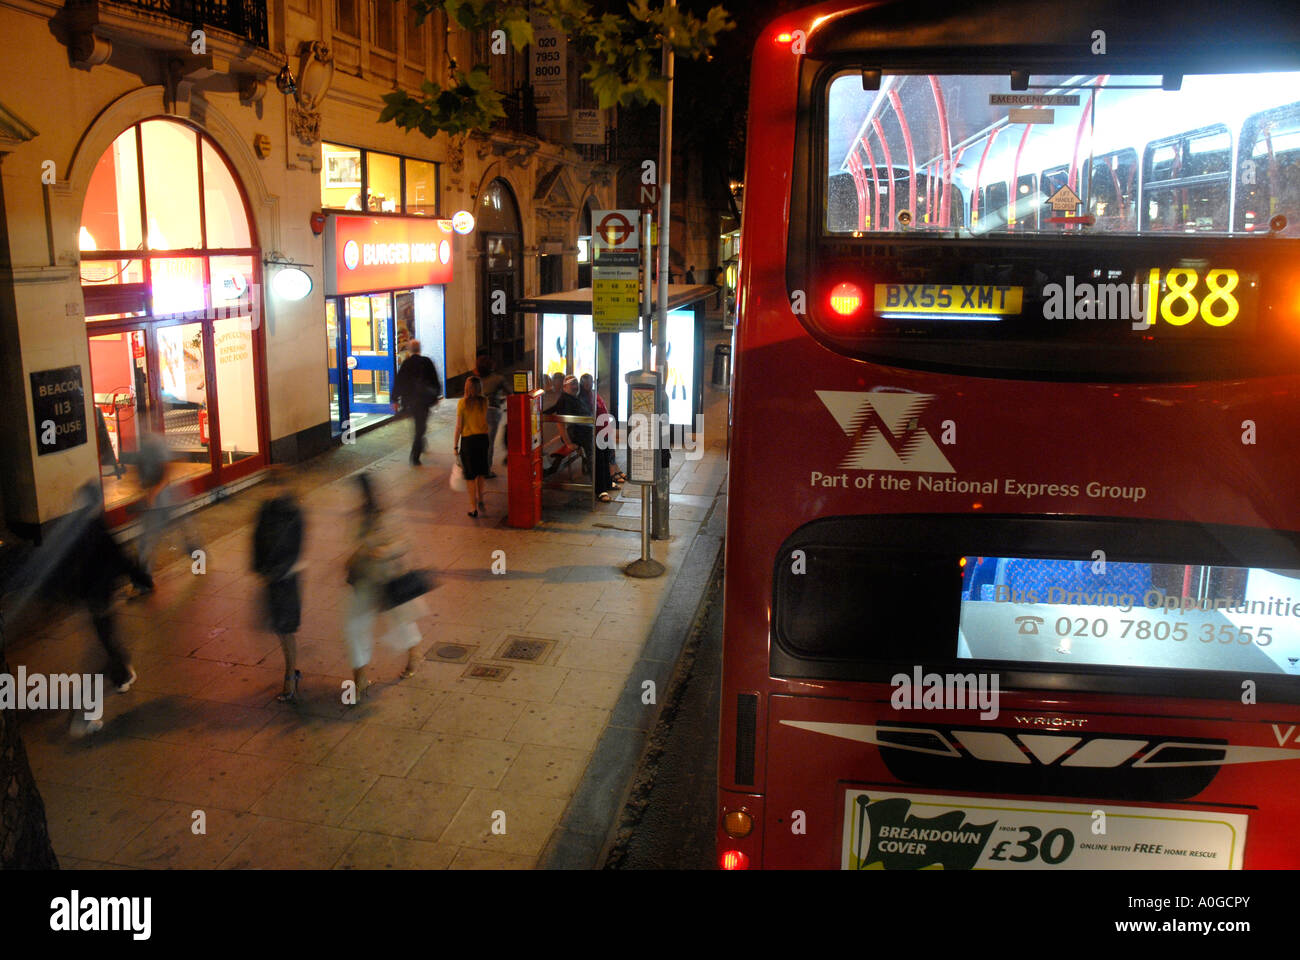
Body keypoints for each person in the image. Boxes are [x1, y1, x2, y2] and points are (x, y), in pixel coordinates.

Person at [343, 474, 422, 699]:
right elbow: (354, 543)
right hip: (362, 579)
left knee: (400, 622)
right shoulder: (356, 517)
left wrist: (382, 552)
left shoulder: (389, 513)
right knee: (354, 626)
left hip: (387, 578)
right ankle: (359, 677)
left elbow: (405, 542)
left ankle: (414, 654)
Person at [252, 468, 305, 702]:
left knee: (286, 629)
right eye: (268, 486)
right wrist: (260, 568)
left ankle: (290, 677)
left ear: (283, 487)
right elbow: (256, 539)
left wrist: (281, 570)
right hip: (271, 577)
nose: (271, 491)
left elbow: (297, 547)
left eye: (274, 486)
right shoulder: (265, 509)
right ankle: (291, 672)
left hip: (286, 578)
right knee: (279, 628)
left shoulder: (294, 512)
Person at [392, 339, 442, 466]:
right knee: (420, 426)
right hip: (424, 400)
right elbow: (434, 379)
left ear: (409, 350)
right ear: (420, 349)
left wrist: (394, 399)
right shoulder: (427, 362)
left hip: (410, 401)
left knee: (418, 425)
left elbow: (399, 381)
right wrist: (436, 396)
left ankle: (420, 441)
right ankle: (415, 455)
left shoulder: (406, 363)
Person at [579, 374, 624, 501]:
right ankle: (601, 489)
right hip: (595, 432)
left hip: (603, 430)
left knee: (605, 458)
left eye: (591, 382)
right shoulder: (583, 397)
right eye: (586, 382)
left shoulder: (594, 394)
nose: (589, 384)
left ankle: (607, 483)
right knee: (599, 460)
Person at [454, 377, 491, 517]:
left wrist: (455, 446)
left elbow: (459, 426)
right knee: (481, 472)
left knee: (470, 476)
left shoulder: (462, 403)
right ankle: (481, 498)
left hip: (468, 441)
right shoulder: (484, 402)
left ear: (467, 388)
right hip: (482, 439)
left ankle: (473, 507)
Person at [474, 354, 509, 478]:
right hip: (492, 412)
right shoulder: (498, 379)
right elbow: (510, 393)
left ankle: (476, 466)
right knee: (489, 442)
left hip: (477, 412)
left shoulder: (474, 380)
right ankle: (486, 470)